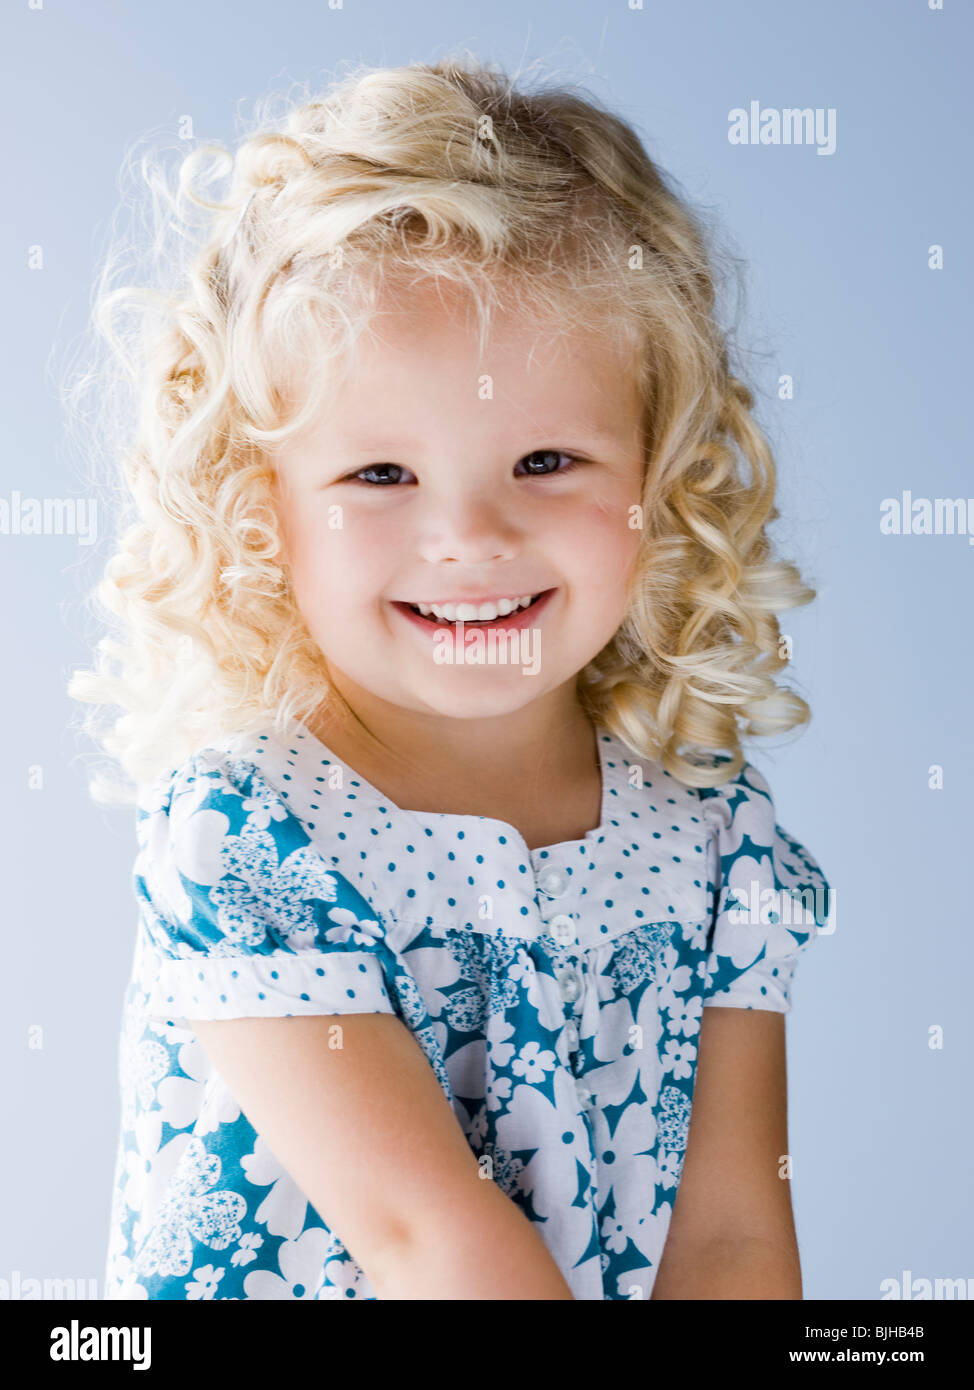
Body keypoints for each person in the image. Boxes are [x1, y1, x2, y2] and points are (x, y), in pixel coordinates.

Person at [69, 53, 832, 1300]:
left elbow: (735, 1236)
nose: (469, 537)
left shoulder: (714, 839)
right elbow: (429, 1242)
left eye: (544, 458)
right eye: (380, 476)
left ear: (658, 472)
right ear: (262, 511)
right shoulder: (248, 834)